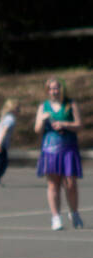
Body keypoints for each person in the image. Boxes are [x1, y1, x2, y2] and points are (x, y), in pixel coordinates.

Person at [35, 78, 83, 230]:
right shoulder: (43, 106)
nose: (54, 91)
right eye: (51, 89)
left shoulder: (70, 104)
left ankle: (74, 212)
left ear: (61, 89)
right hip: (50, 150)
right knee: (53, 184)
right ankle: (56, 217)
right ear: (47, 90)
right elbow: (37, 129)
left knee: (71, 184)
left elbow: (79, 125)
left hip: (68, 148)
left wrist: (65, 124)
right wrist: (42, 120)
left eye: (56, 88)